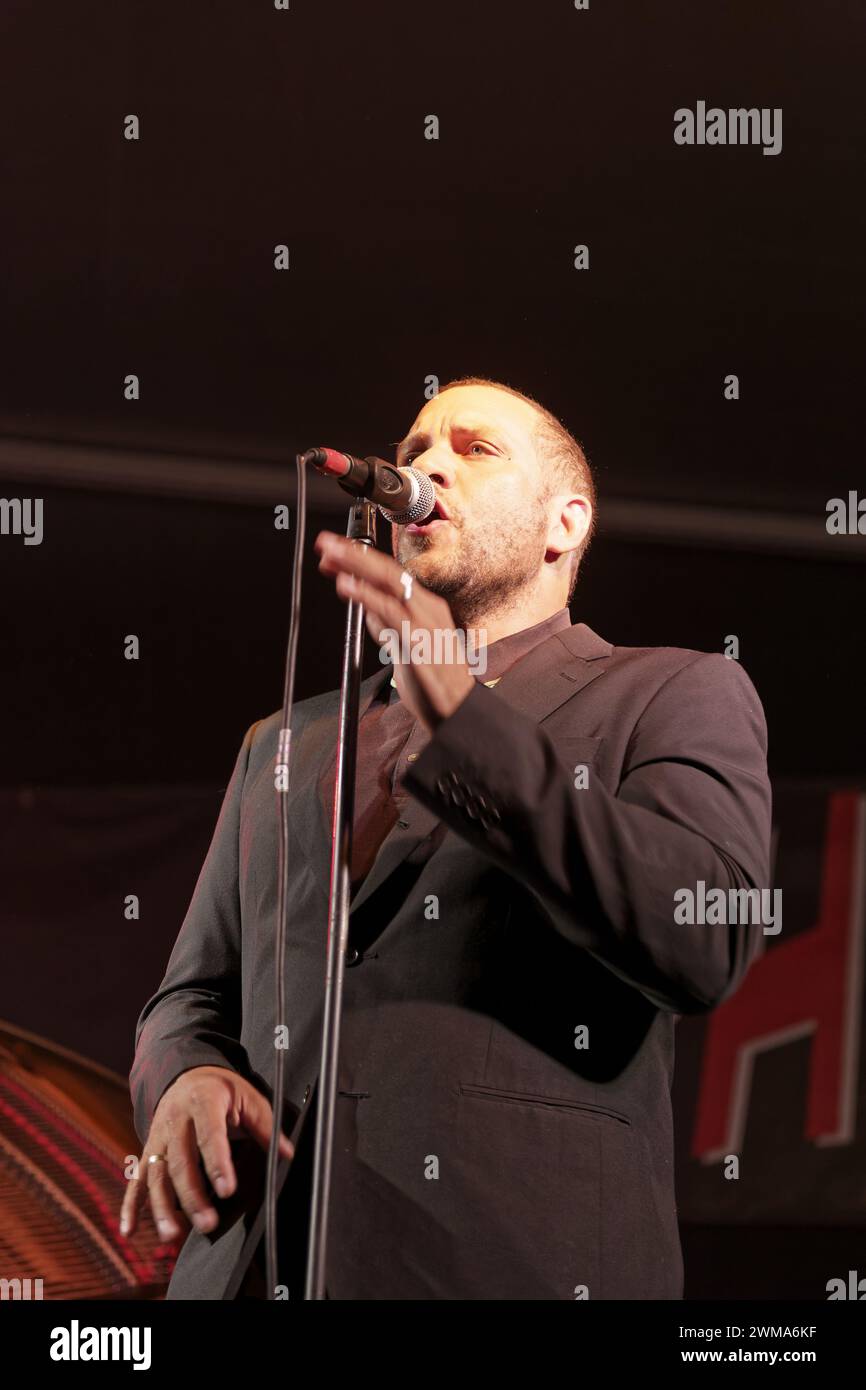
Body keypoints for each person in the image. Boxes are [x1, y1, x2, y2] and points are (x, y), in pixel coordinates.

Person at [121, 377, 772, 1299]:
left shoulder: (674, 693)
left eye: (475, 448)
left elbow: (702, 938)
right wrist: (184, 1077)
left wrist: (458, 711)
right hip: (254, 1263)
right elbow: (189, 995)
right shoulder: (283, 741)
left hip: (505, 1263)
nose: (425, 463)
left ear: (565, 524)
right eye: (418, 445)